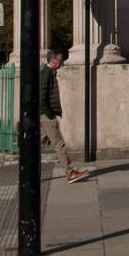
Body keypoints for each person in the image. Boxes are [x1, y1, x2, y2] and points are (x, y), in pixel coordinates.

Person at [39, 49, 89, 183]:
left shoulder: (48, 73)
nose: (61, 63)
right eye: (60, 60)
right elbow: (41, 97)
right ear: (54, 60)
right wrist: (50, 114)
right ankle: (70, 172)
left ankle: (28, 173)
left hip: (44, 115)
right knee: (59, 143)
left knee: (37, 145)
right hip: (46, 116)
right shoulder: (46, 74)